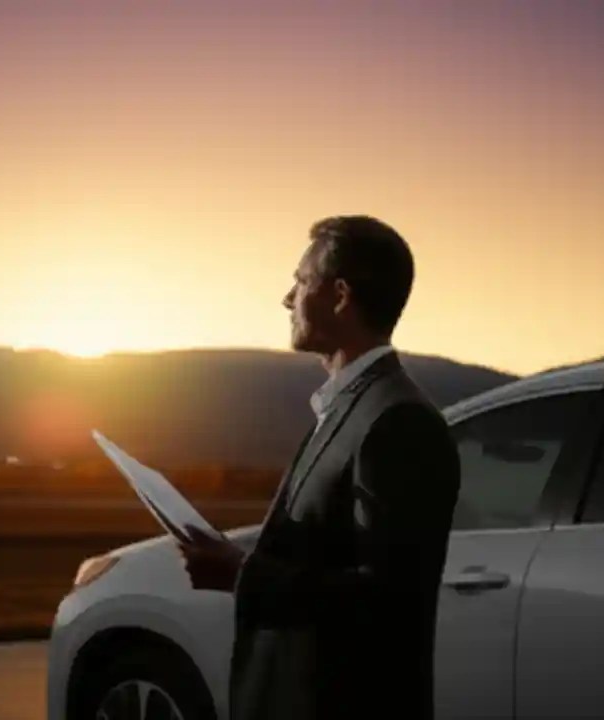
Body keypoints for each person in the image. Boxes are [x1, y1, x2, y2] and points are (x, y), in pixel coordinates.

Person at [179, 215, 461, 720]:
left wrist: (244, 575)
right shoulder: (350, 408)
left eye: (301, 282)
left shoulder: (397, 421)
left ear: (339, 296)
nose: (288, 299)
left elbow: (387, 599)